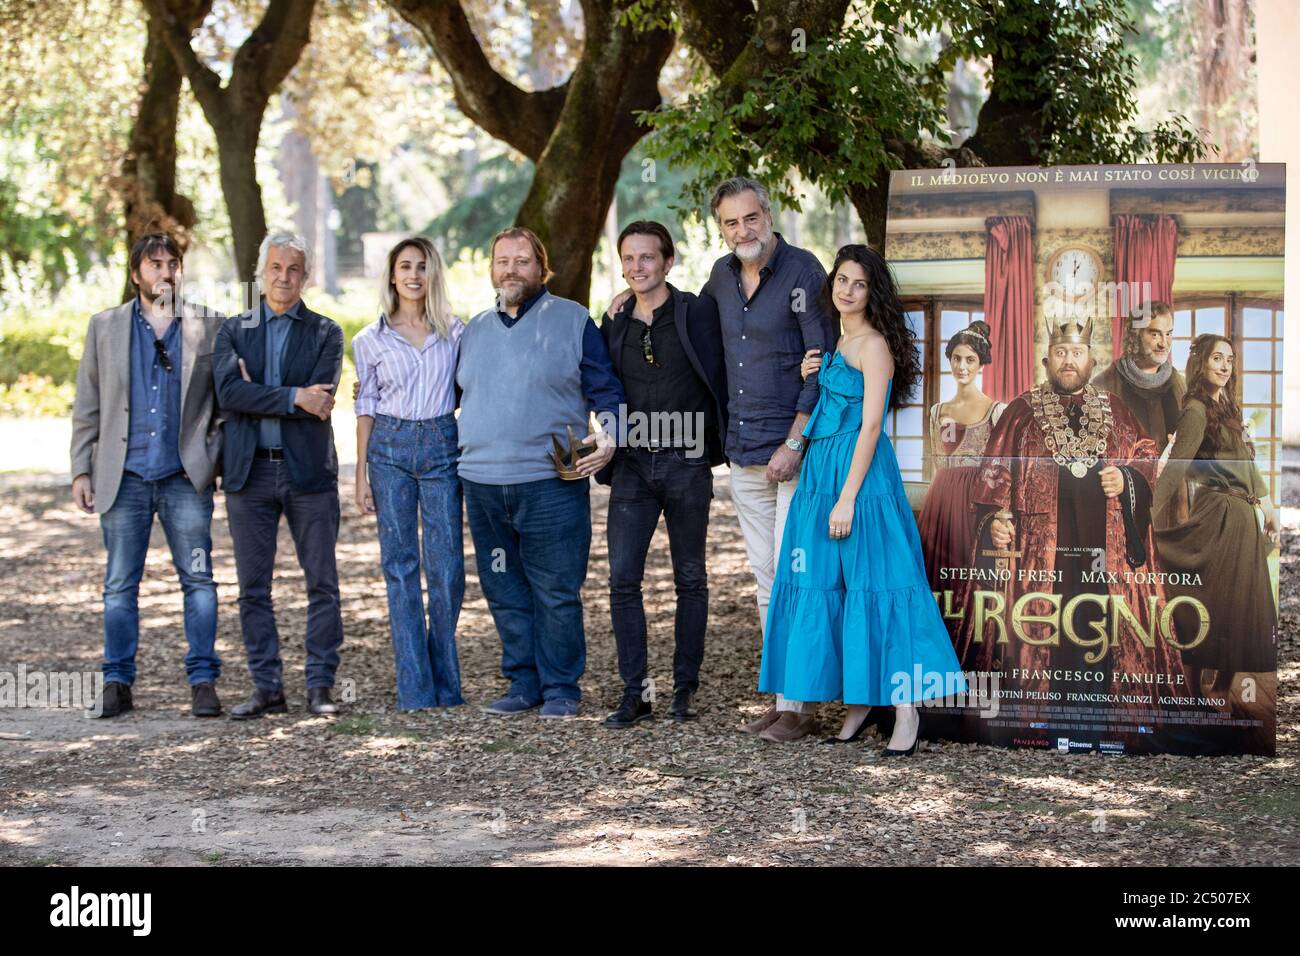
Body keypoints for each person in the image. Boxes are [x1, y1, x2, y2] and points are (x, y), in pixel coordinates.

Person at [759, 245, 965, 756]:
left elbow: (871, 425)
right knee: (834, 590)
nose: (847, 290)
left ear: (873, 294)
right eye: (842, 279)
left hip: (860, 481)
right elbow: (831, 407)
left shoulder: (873, 345)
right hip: (820, 477)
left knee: (881, 586)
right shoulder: (837, 340)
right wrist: (817, 371)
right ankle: (858, 704)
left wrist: (847, 499)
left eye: (859, 283)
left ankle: (906, 712)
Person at [958, 309, 1188, 729]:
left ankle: (1104, 713)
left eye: (1077, 352)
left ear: (1091, 361)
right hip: (1038, 557)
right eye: (1060, 352)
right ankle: (1039, 713)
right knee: (1045, 622)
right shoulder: (1021, 412)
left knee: (1099, 621)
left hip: (1107, 554)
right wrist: (995, 519)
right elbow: (994, 473)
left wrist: (1126, 477)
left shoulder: (1116, 410)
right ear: (1046, 361)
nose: (1068, 360)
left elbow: (1147, 456)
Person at [457, 227, 624, 719]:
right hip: (482, 483)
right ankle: (523, 682)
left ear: (541, 268)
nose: (510, 269)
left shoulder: (572, 320)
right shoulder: (474, 330)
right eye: (502, 260)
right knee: (504, 587)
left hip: (552, 481)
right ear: (492, 268)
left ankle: (561, 688)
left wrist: (611, 435)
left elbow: (606, 390)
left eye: (522, 261)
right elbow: (446, 398)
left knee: (555, 588)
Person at [701, 177, 837, 742]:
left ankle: (803, 707)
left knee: (796, 576)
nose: (743, 231)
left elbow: (823, 360)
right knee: (764, 578)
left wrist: (796, 442)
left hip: (793, 453)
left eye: (750, 218)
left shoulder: (803, 272)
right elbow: (689, 323)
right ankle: (784, 696)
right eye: (731, 223)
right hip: (743, 450)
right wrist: (624, 303)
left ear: (769, 214)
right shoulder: (720, 276)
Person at [70, 233, 225, 718]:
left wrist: (211, 459)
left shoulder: (209, 326)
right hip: (124, 476)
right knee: (119, 584)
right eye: (154, 264)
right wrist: (81, 467)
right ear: (136, 273)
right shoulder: (106, 327)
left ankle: (203, 680)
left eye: (172, 263)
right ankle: (117, 681)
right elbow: (87, 404)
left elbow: (223, 404)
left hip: (185, 478)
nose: (164, 272)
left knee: (199, 580)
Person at [595, 221, 728, 728]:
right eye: (628, 259)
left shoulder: (696, 313)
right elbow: (600, 383)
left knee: (690, 578)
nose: (636, 267)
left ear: (668, 262)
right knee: (622, 580)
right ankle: (636, 692)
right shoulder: (615, 321)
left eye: (646, 258)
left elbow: (724, 370)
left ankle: (683, 691)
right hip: (632, 466)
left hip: (687, 462)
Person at [214, 230, 345, 719]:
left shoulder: (326, 332)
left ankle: (320, 686)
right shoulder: (233, 330)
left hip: (307, 473)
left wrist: (262, 392)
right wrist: (292, 395)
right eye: (275, 268)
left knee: (322, 584)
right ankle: (267, 686)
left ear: (305, 276)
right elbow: (228, 394)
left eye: (294, 269)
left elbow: (322, 399)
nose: (284, 277)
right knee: (253, 587)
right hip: (248, 475)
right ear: (261, 272)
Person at [353, 237, 465, 710]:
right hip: (390, 451)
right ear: (393, 275)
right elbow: (365, 407)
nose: (414, 275)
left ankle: (447, 684)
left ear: (432, 273)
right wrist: (359, 475)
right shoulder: (368, 340)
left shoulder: (457, 332)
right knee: (400, 569)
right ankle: (415, 690)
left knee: (446, 568)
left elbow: (466, 390)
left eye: (422, 266)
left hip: (441, 445)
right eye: (405, 266)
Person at [1154, 334, 1279, 695]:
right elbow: (1176, 467)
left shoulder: (1227, 407)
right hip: (1217, 513)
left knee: (1239, 601)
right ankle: (1194, 687)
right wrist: (1145, 516)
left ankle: (1223, 686)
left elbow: (1248, 465)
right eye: (1216, 359)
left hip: (1242, 515)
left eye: (1230, 359)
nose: (1225, 367)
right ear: (1201, 364)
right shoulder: (1196, 410)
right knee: (1207, 600)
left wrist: (1268, 509)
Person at [917, 321, 1005, 608]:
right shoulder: (937, 411)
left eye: (970, 359)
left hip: (974, 504)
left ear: (981, 364)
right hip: (940, 502)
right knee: (936, 577)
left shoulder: (996, 411)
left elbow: (1003, 471)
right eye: (956, 358)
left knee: (969, 579)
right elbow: (934, 462)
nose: (962, 366)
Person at [1092, 301, 1187, 526]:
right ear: (1136, 335)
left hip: (1172, 504)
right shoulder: (1106, 383)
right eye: (1155, 334)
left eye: (1169, 334)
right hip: (1125, 501)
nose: (1164, 343)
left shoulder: (1178, 384)